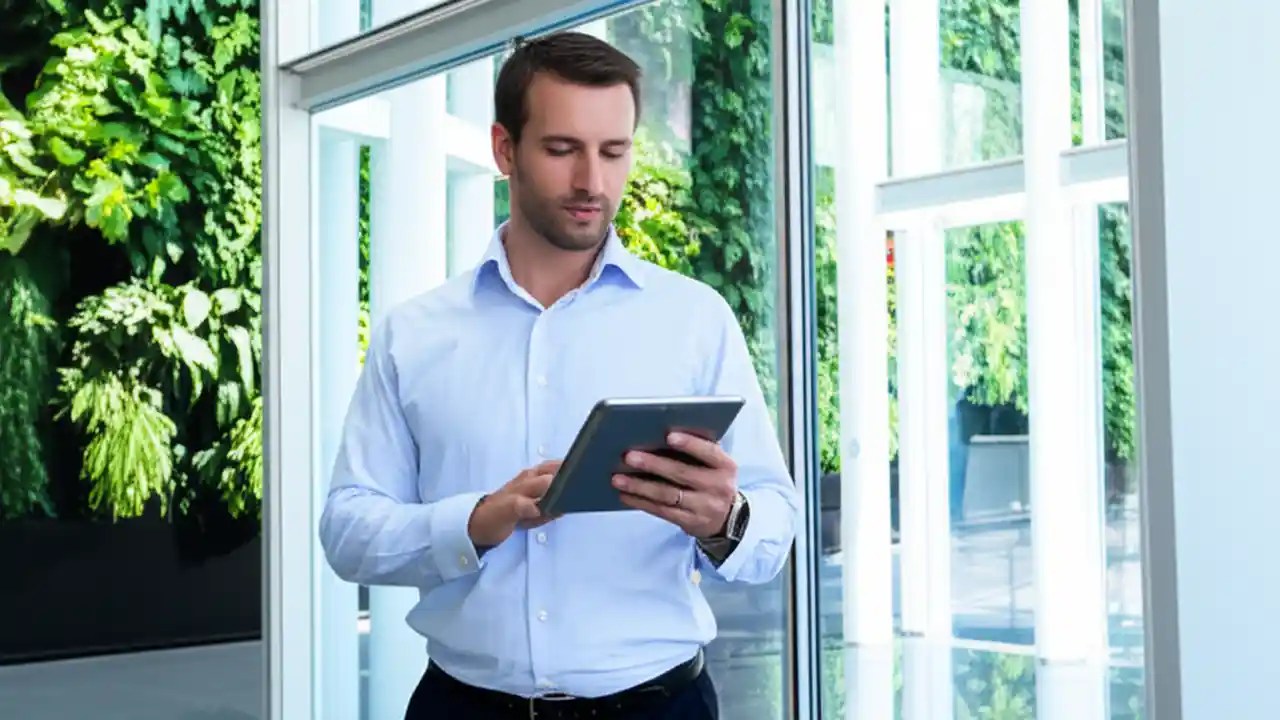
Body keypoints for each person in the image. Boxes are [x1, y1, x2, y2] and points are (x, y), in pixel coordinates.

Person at [320, 30, 800, 720]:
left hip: (660, 707)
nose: (592, 183)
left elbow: (774, 529)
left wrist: (724, 520)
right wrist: (476, 522)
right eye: (562, 149)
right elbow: (347, 529)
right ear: (504, 150)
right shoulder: (415, 333)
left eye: (614, 151)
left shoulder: (695, 319)